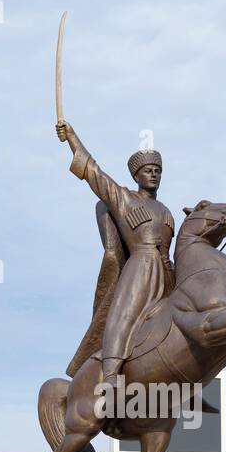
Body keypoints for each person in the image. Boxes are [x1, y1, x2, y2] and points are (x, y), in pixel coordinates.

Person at [56, 121, 175, 385]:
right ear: (136, 176)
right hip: (139, 267)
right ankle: (110, 374)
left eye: (157, 170)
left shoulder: (167, 211)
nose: (153, 175)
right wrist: (72, 139)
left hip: (166, 273)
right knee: (124, 314)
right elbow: (93, 172)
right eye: (148, 171)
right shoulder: (124, 199)